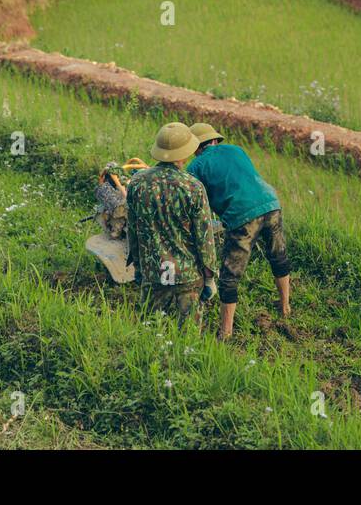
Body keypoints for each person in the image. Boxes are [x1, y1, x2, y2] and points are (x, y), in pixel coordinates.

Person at [187, 122, 291, 341]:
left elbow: (193, 201)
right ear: (214, 140)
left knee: (230, 275)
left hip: (242, 216)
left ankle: (225, 332)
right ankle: (285, 307)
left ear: (196, 148)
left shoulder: (196, 167)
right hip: (271, 203)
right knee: (278, 256)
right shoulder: (236, 149)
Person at [125, 123, 218, 327]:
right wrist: (210, 276)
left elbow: (132, 231)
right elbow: (205, 238)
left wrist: (139, 267)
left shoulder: (137, 183)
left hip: (153, 271)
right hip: (188, 275)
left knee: (150, 332)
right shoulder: (193, 187)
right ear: (186, 152)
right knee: (189, 336)